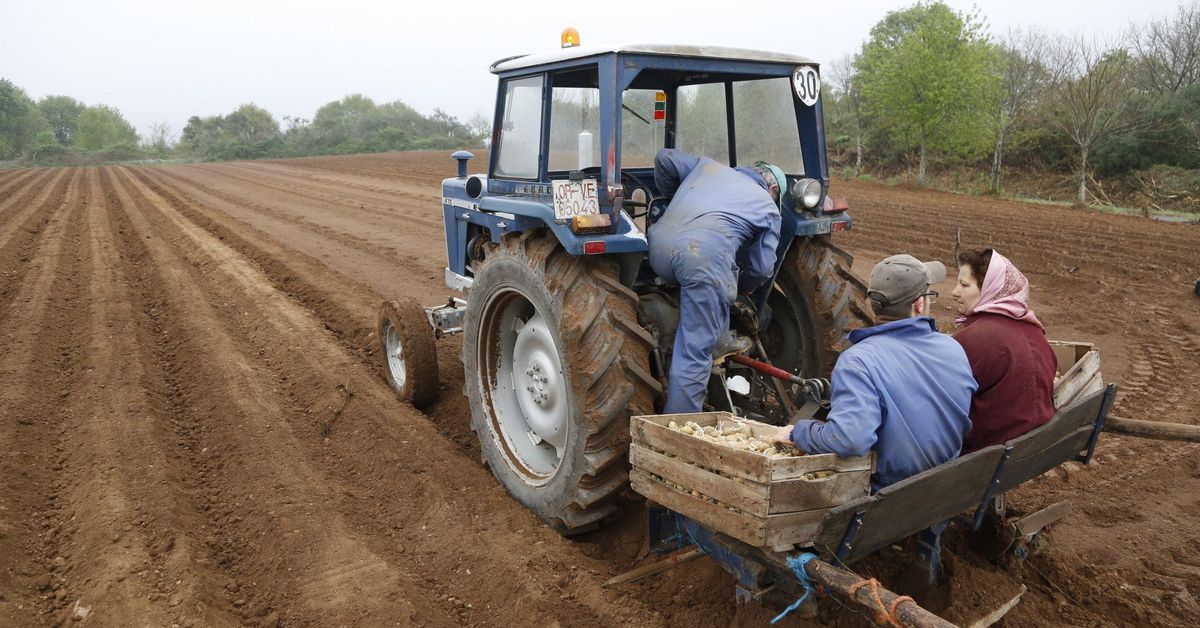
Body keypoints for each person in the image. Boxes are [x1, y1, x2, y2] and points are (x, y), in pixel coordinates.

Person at [773, 255, 976, 491]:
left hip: (891, 495)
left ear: (872, 304)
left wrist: (798, 432)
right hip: (943, 489)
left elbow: (849, 439)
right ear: (919, 304)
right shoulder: (953, 348)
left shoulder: (858, 361)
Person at [650, 148, 784, 414]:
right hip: (700, 259)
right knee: (695, 352)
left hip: (658, 250)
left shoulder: (706, 167)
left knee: (719, 275)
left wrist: (675, 197)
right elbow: (761, 268)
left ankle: (719, 338)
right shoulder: (768, 207)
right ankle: (680, 424)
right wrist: (742, 287)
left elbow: (665, 158)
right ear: (772, 189)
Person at [951, 248, 1056, 453]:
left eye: (964, 284)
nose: (955, 292)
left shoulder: (973, 340)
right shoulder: (1034, 330)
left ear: (990, 289)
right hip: (1031, 443)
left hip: (987, 452)